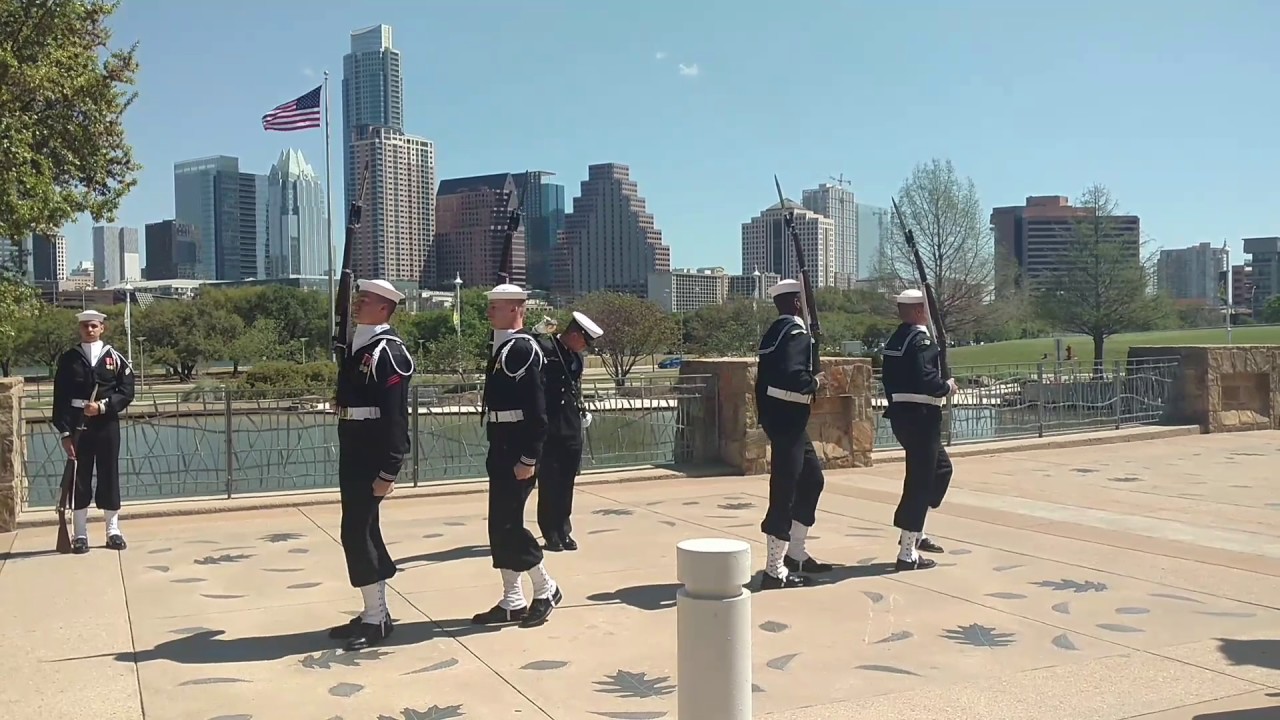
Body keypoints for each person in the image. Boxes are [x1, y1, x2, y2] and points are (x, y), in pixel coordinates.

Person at [327, 279, 413, 650]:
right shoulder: (359, 346)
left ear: (384, 309)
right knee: (360, 530)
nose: (358, 303)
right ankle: (373, 612)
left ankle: (377, 619)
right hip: (354, 446)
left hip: (371, 453)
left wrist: (389, 468)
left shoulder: (388, 352)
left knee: (358, 532)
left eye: (366, 300)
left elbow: (395, 416)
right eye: (358, 298)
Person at [472, 282, 562, 628]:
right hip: (502, 444)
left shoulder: (522, 348)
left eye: (495, 306)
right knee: (499, 526)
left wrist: (529, 457)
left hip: (516, 448)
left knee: (508, 525)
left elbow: (538, 413)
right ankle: (512, 598)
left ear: (515, 309)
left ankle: (545, 587)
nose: (489, 312)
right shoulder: (504, 347)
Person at [755, 279, 832, 590]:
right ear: (798, 303)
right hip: (788, 421)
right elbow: (792, 375)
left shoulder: (777, 330)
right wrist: (815, 382)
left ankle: (795, 553)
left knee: (812, 479)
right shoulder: (796, 333)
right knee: (785, 491)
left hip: (785, 420)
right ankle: (774, 569)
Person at [880, 288, 957, 572]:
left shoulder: (897, 339)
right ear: (918, 311)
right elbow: (927, 380)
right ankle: (907, 552)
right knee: (921, 482)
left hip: (903, 416)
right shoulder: (921, 340)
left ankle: (916, 529)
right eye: (926, 308)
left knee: (941, 470)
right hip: (922, 417)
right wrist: (946, 387)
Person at [52, 309, 135, 554]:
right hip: (78, 426)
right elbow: (60, 398)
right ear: (80, 329)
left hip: (106, 424)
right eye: (85, 326)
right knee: (80, 478)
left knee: (109, 475)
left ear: (102, 328)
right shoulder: (69, 359)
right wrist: (65, 433)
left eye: (94, 326)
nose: (89, 330)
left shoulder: (115, 357)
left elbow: (127, 391)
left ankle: (113, 531)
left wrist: (102, 407)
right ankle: (80, 534)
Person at [534, 311, 604, 552]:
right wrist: (537, 332)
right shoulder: (546, 349)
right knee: (549, 481)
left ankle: (564, 529)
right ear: (574, 334)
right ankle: (550, 532)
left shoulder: (576, 358)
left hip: (571, 424)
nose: (585, 347)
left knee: (566, 480)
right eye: (585, 341)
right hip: (551, 425)